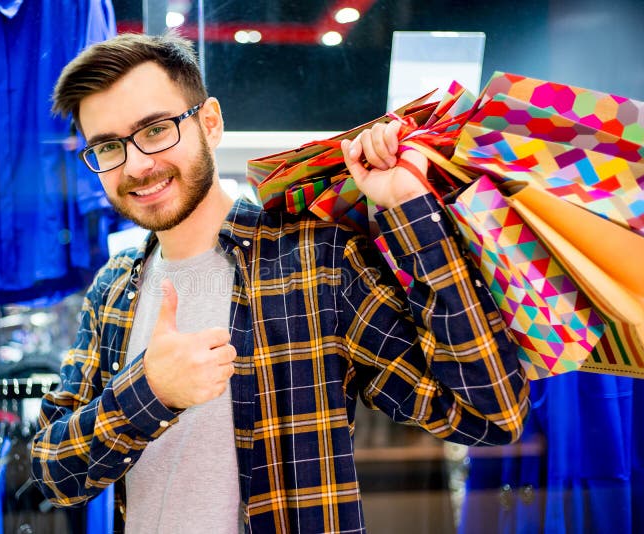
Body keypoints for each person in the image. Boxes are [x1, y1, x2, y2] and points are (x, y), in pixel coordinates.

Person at [30, 31, 530, 533]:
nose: (135, 165)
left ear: (210, 122)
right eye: (108, 147)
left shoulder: (316, 263)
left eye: (156, 130)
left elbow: (489, 412)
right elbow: (53, 474)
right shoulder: (113, 289)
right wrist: (150, 392)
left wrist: (407, 207)